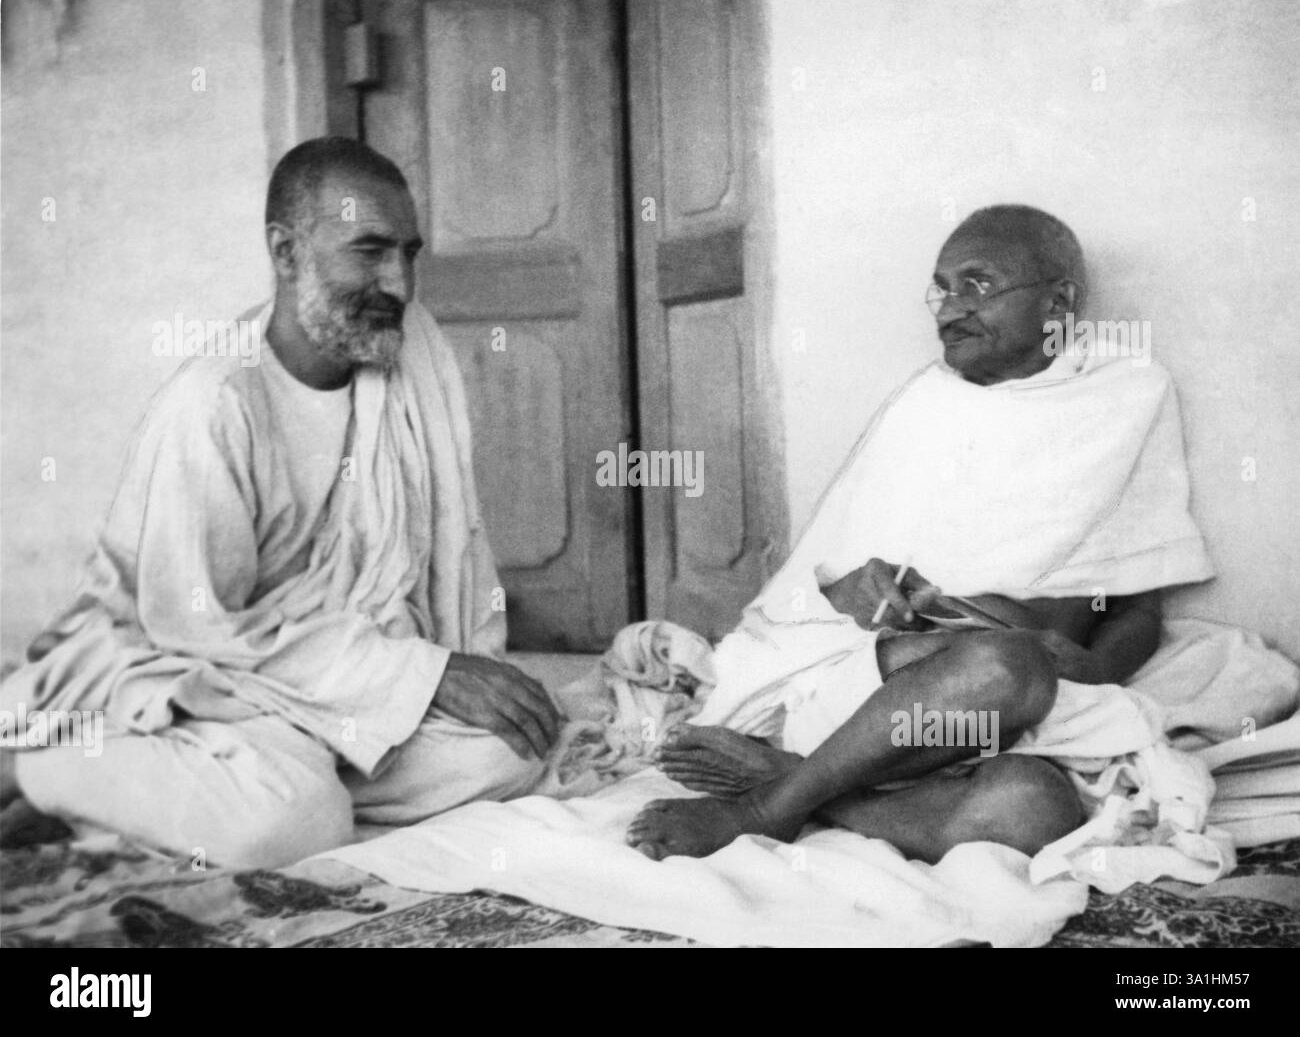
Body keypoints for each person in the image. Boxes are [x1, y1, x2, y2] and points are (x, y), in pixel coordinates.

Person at [0, 137, 560, 867]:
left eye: (409, 252)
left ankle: (242, 784)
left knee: (507, 752)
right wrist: (417, 678)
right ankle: (37, 771)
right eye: (370, 250)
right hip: (197, 671)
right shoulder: (213, 405)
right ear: (287, 252)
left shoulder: (409, 348)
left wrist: (438, 673)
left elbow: (456, 545)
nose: (398, 281)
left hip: (335, 674)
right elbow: (196, 629)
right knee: (293, 823)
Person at [628, 205, 1214, 863]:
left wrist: (1101, 664)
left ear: (1060, 300)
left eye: (977, 285)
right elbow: (804, 595)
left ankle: (788, 778)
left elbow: (1138, 606)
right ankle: (766, 810)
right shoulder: (924, 406)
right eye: (942, 288)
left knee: (1034, 812)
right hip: (901, 690)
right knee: (1004, 661)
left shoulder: (1130, 397)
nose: (948, 310)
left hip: (1036, 706)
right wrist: (851, 588)